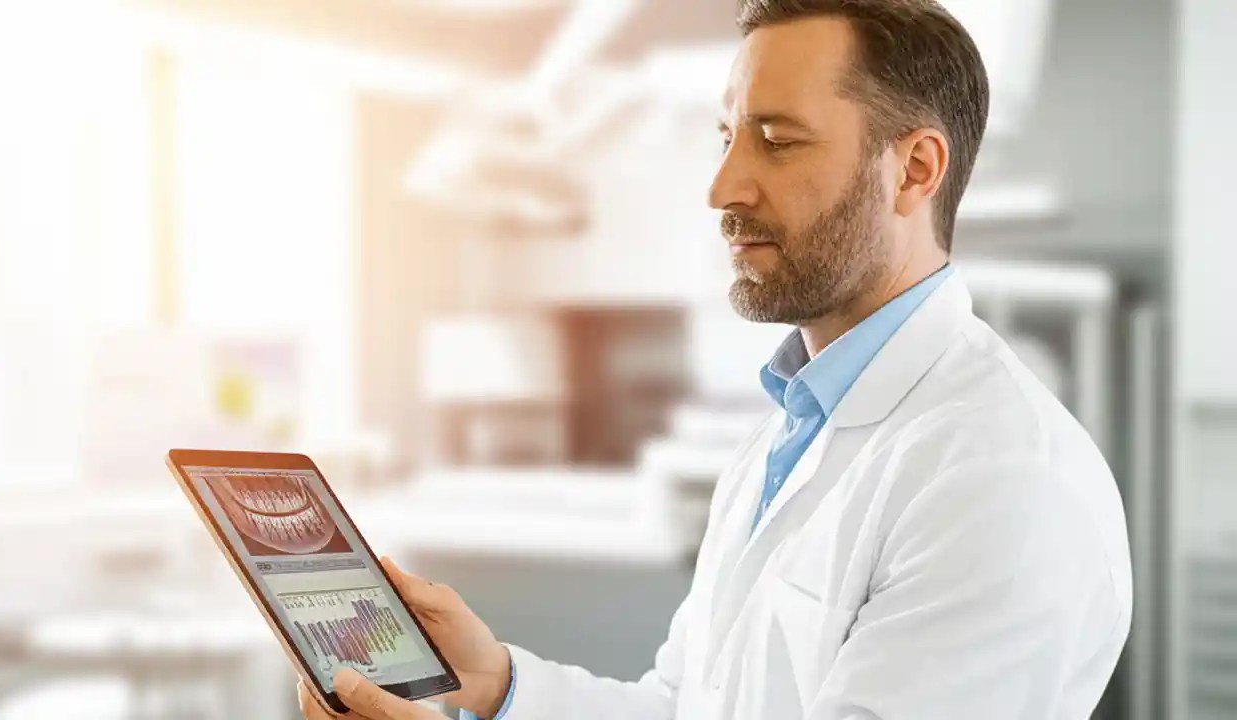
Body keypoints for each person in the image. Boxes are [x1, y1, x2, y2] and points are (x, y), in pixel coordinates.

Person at [300, 1, 1132, 717]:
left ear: (914, 170)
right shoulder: (788, 432)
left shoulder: (1001, 479)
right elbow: (686, 706)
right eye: (729, 137)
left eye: (778, 141)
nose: (722, 187)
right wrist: (500, 686)